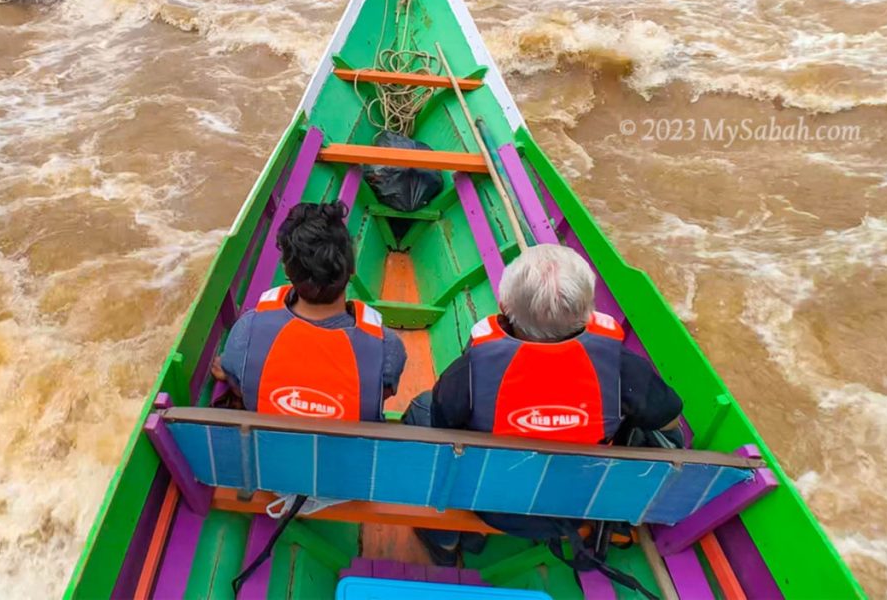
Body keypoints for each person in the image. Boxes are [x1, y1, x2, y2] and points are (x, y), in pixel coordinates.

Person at [407, 243, 683, 565]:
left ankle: (445, 538)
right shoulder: (624, 368)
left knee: (421, 408)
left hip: (493, 503)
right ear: (588, 312)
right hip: (577, 507)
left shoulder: (471, 370)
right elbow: (669, 425)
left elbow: (444, 430)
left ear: (503, 305)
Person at [211, 201, 406, 422]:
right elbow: (381, 394)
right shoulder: (387, 346)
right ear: (352, 268)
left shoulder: (246, 331)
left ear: (287, 270)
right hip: (348, 452)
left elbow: (240, 386)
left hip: (272, 447)